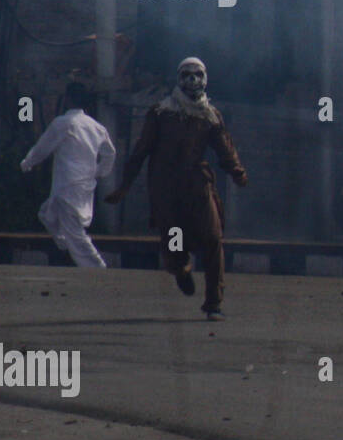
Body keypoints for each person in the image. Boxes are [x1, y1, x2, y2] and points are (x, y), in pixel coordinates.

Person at [105, 58, 247, 321]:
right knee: (174, 244)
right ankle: (181, 270)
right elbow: (140, 151)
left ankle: (213, 303)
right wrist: (124, 186)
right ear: (178, 79)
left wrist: (237, 171)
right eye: (187, 75)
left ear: (205, 79)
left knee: (213, 239)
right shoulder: (162, 113)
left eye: (197, 75)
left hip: (198, 187)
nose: (192, 81)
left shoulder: (210, 116)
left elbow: (224, 148)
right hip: (167, 191)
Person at [20, 83, 116, 268]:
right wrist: (99, 172)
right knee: (47, 214)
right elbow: (110, 154)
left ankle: (97, 267)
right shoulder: (96, 127)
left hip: (67, 185)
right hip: (84, 184)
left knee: (75, 233)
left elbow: (43, 147)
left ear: (68, 99)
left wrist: (27, 163)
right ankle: (64, 243)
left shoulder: (64, 123)